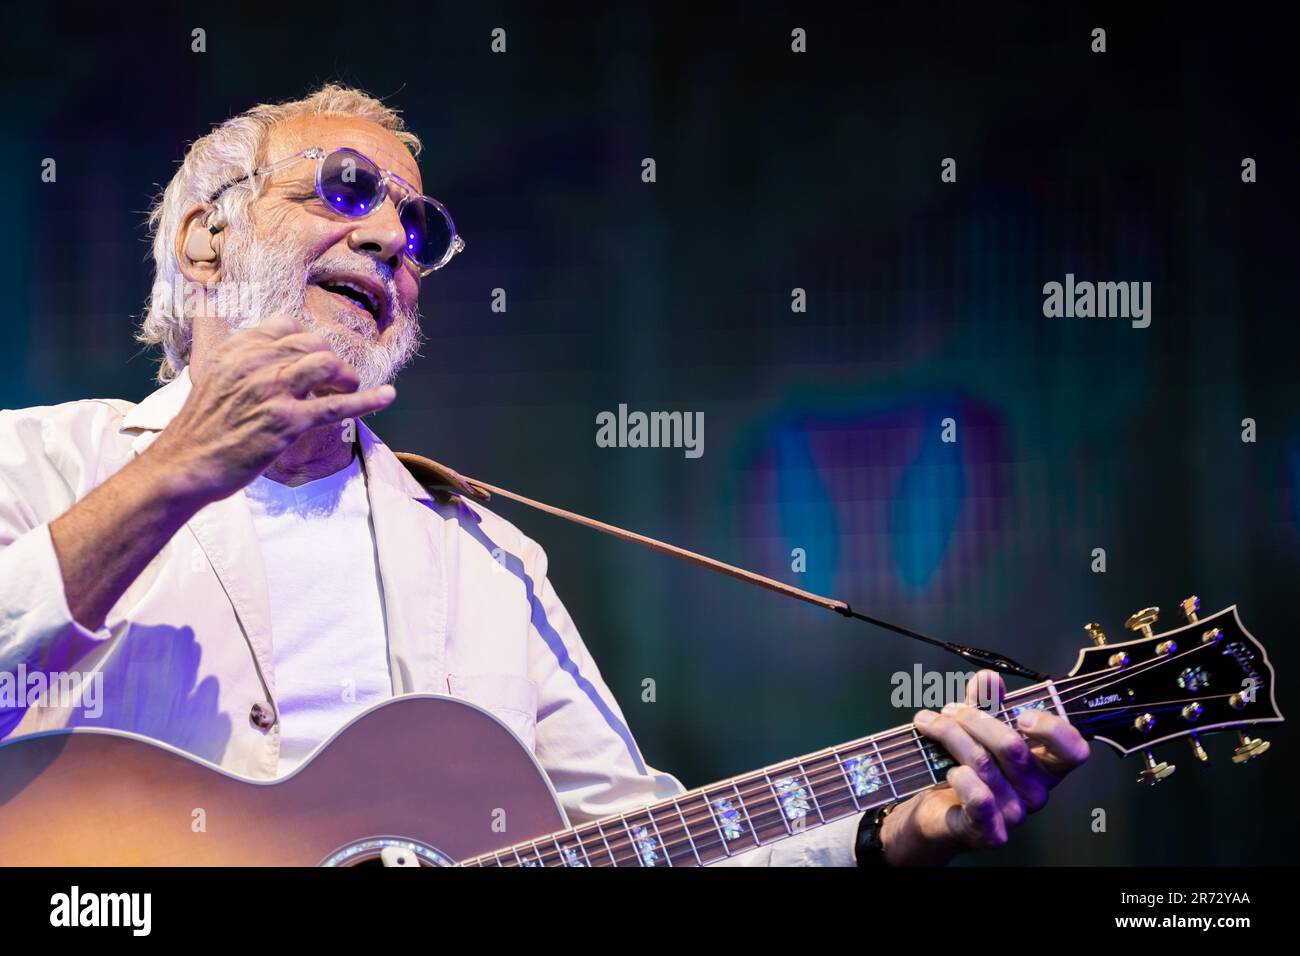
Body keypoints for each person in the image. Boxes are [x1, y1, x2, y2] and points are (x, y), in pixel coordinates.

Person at [0, 85, 1089, 866]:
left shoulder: (483, 554)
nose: (391, 237)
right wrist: (186, 461)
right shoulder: (37, 461)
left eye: (416, 226)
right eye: (344, 190)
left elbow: (639, 837)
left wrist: (890, 828)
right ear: (203, 242)